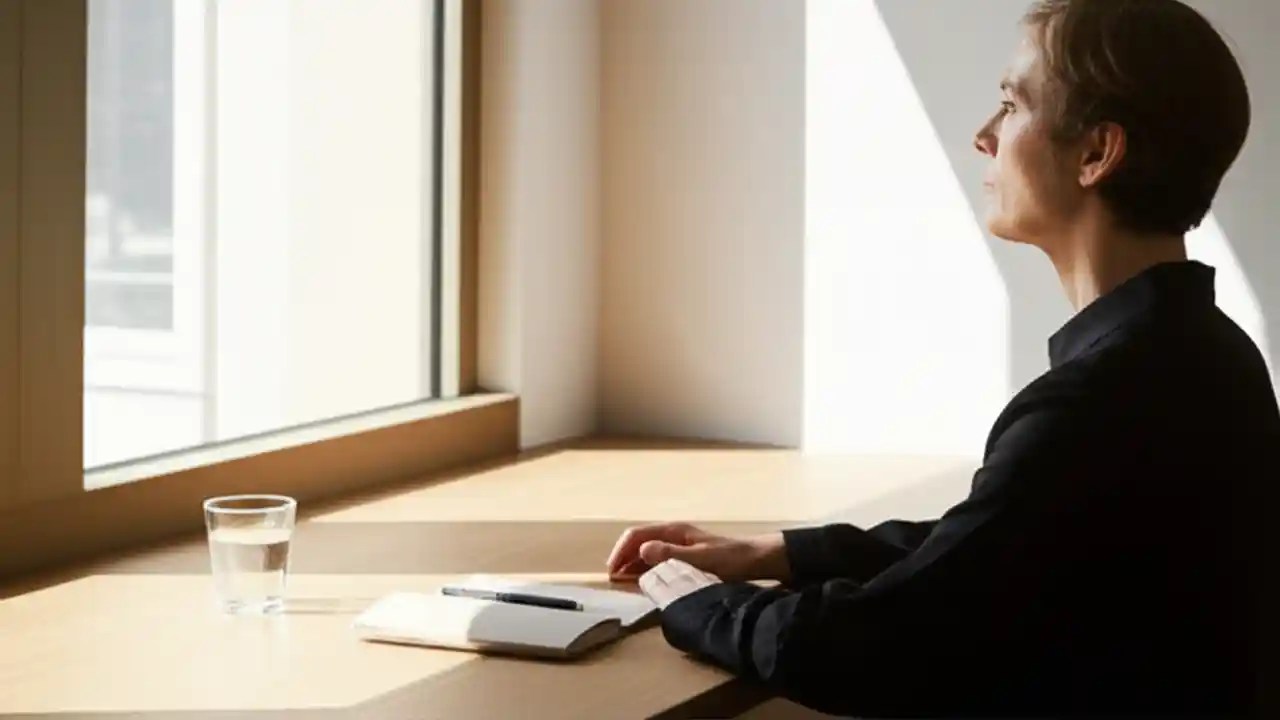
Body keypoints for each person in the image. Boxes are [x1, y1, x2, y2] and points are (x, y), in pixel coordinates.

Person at [605, 0, 1280, 716]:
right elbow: (997, 541)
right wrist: (777, 553)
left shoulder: (1095, 404)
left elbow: (873, 645)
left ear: (1095, 154)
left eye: (1010, 104)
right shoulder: (1209, 356)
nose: (984, 136)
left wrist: (707, 606)